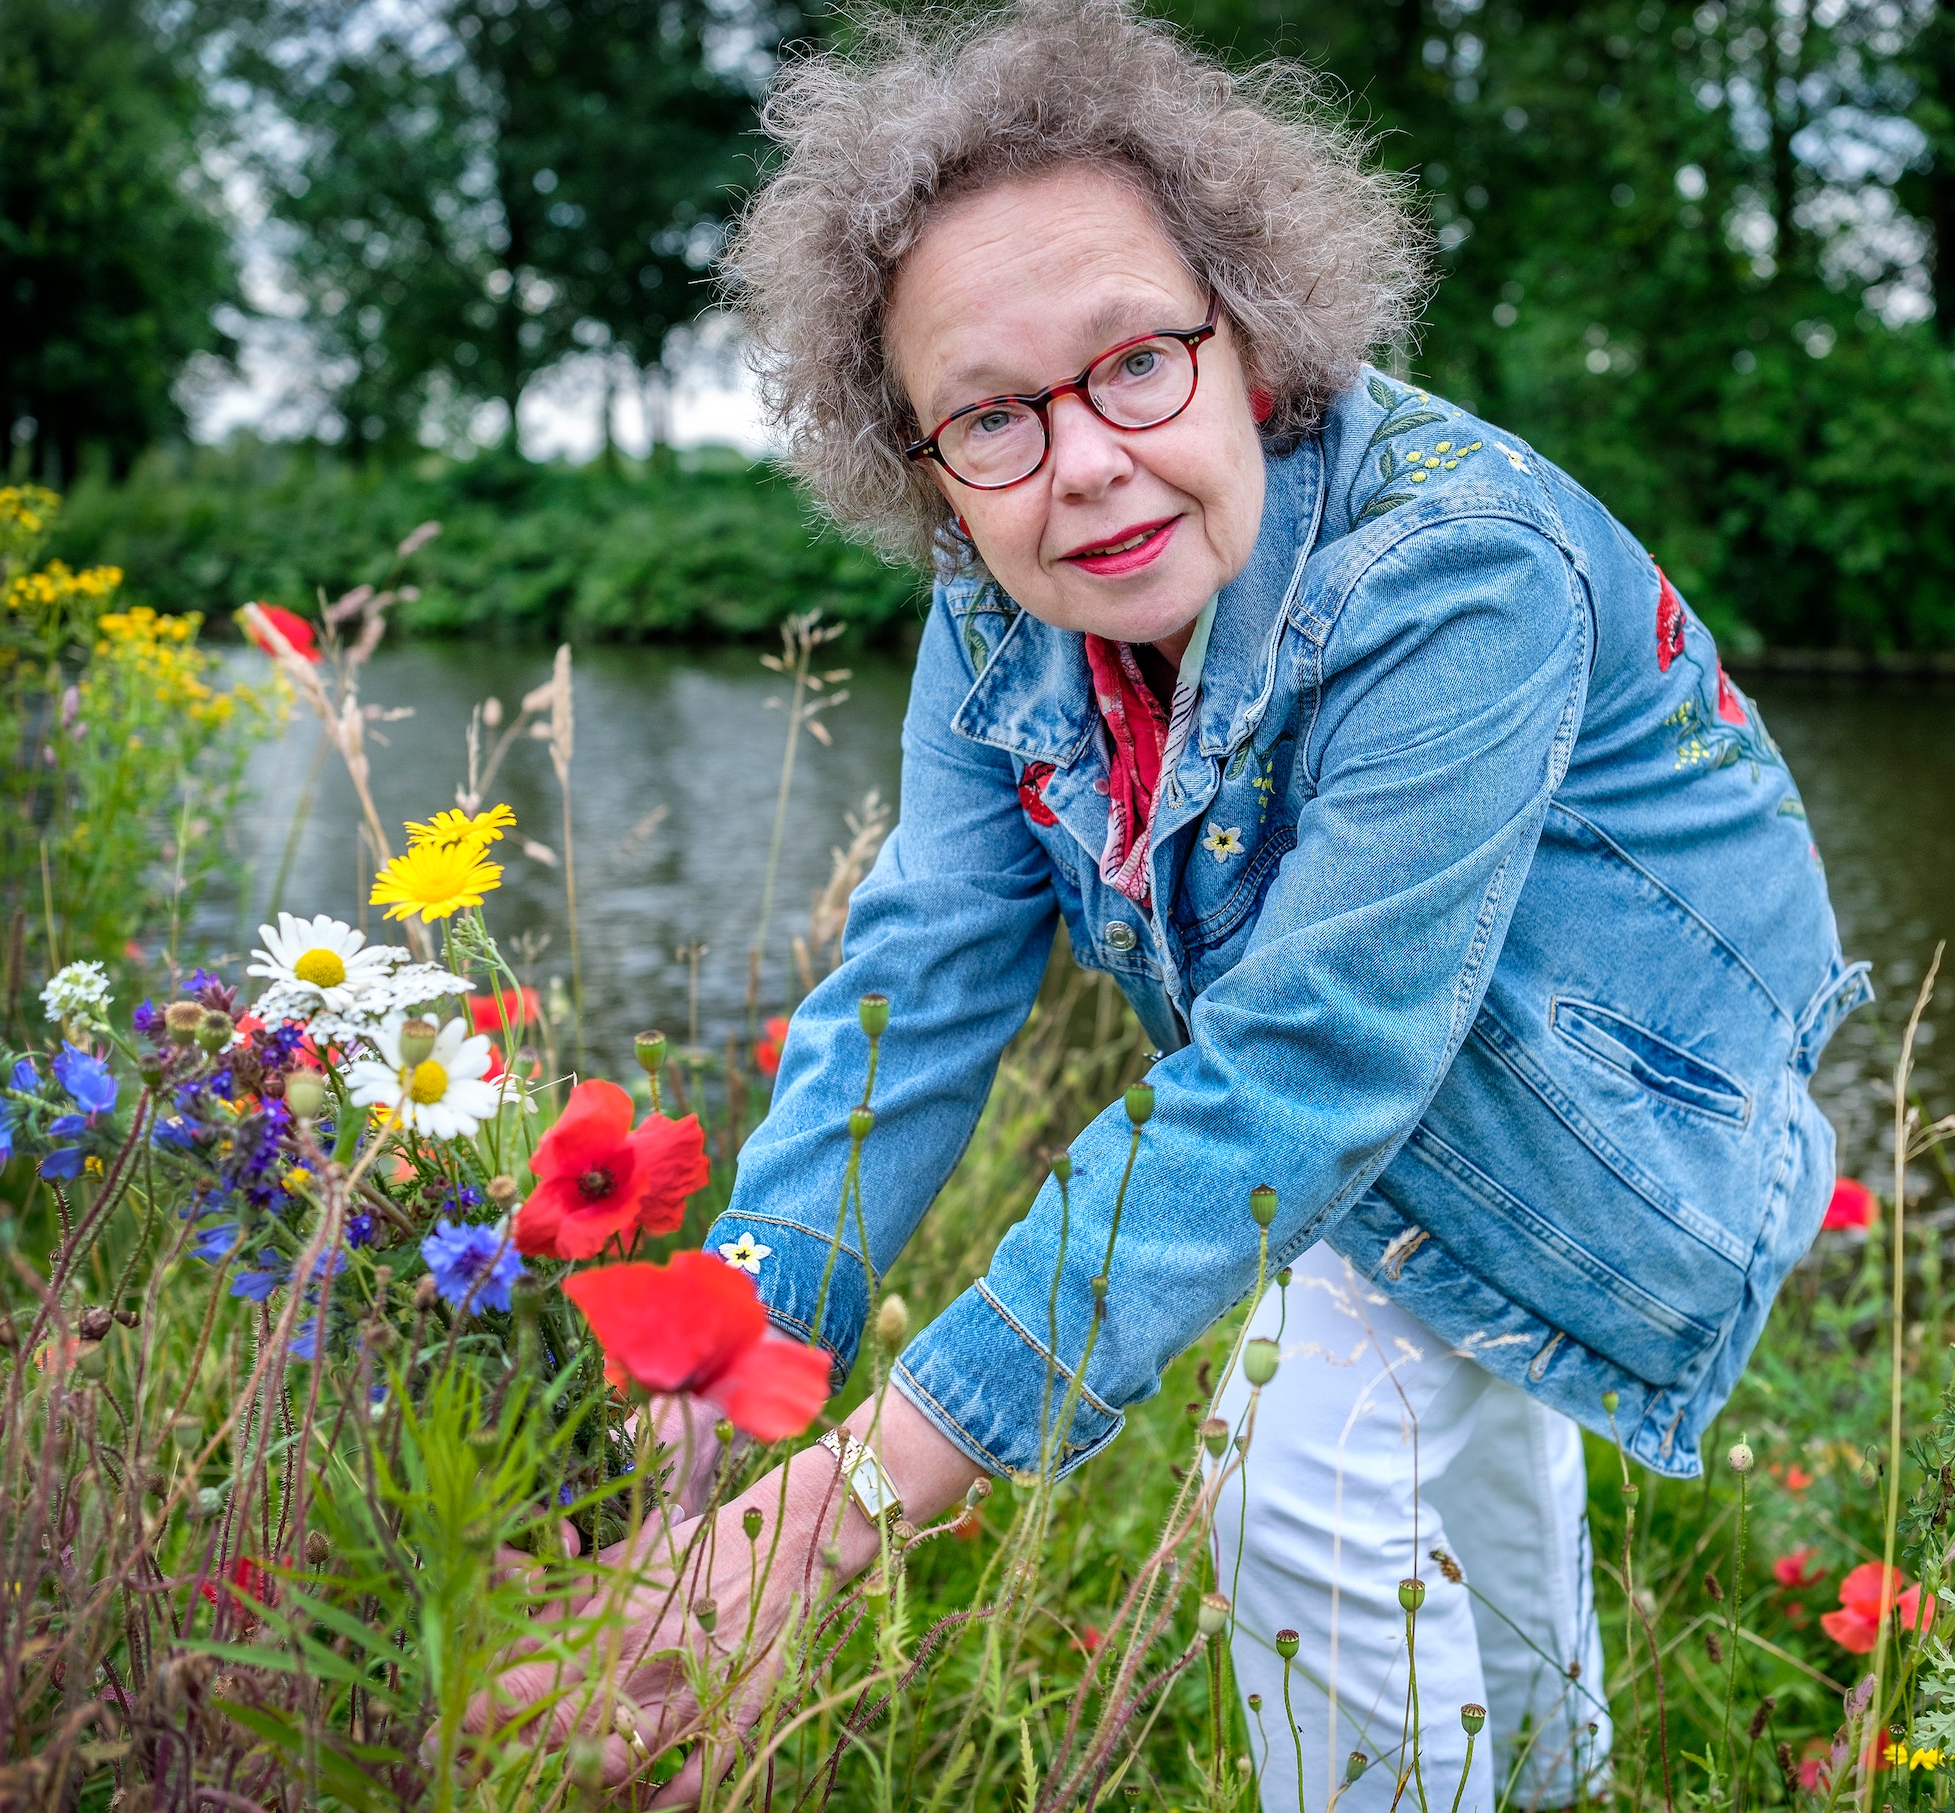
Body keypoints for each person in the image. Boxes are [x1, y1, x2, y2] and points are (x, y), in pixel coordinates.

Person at [522, 1, 1866, 1804]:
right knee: (1453, 1466)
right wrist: (714, 1386)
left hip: (1612, 1131)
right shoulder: (1003, 596)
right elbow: (915, 986)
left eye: (1137, 361)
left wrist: (827, 1517)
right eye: (991, 415)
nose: (1083, 460)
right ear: (922, 461)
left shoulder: (1457, 574)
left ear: (1256, 332)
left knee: (1300, 1484)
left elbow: (1304, 1068)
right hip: (1376, 1085)